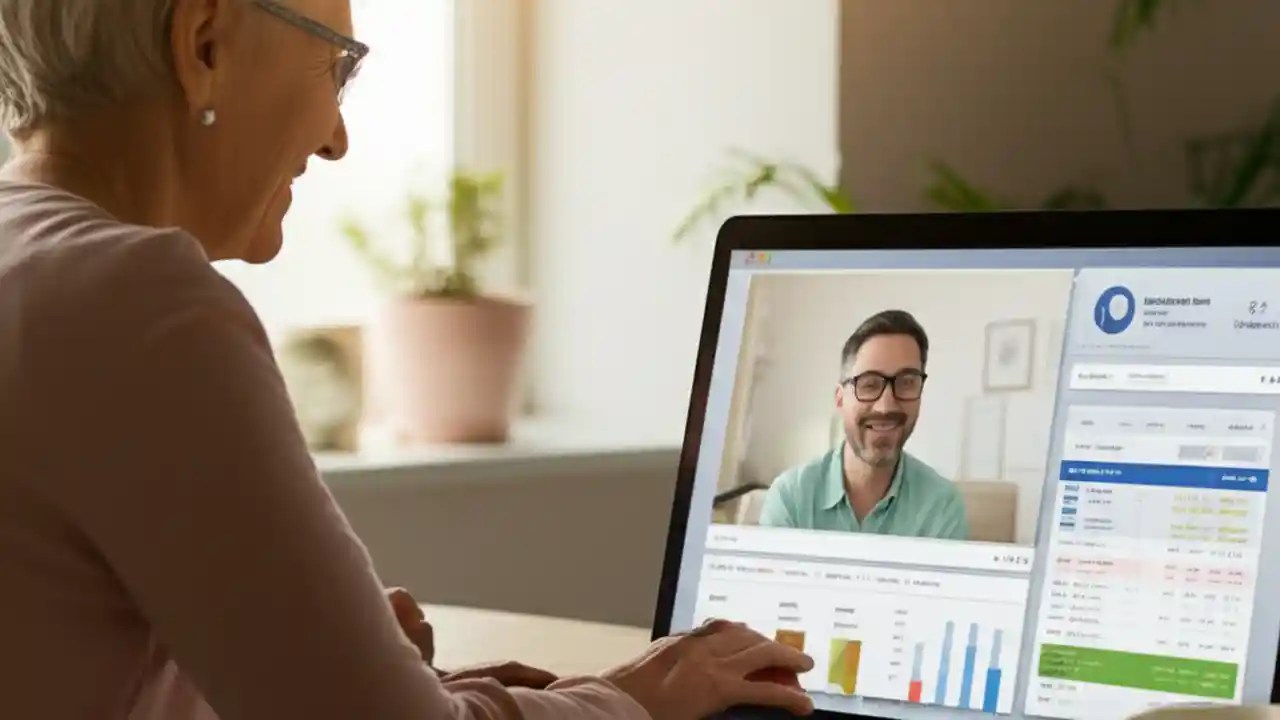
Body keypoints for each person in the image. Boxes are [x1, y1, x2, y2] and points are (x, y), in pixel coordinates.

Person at [0, 1, 815, 719]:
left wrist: (326, 663)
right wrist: (636, 699)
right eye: (337, 65)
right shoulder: (140, 303)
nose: (337, 138)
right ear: (204, 44)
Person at [758, 310, 968, 540]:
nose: (886, 406)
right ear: (840, 398)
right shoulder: (791, 498)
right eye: (869, 384)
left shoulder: (942, 508)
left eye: (907, 382)